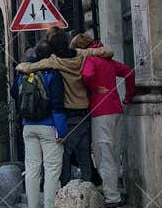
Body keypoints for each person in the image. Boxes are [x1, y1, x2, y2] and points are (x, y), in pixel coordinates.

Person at [17, 27, 102, 187]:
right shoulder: (80, 55)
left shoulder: (54, 61)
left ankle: (66, 192)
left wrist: (23, 67)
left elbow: (26, 67)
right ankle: (89, 188)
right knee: (84, 155)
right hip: (84, 110)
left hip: (68, 113)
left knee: (65, 156)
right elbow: (105, 52)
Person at [72, 30, 135, 206]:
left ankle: (112, 197)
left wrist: (92, 89)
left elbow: (87, 75)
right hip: (116, 109)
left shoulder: (90, 60)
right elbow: (129, 72)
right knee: (114, 153)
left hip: (100, 112)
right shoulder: (108, 61)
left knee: (103, 154)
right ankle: (114, 192)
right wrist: (129, 96)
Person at [13, 48, 68, 208]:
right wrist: (62, 130)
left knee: (32, 170)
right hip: (49, 126)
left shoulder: (21, 74)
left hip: (28, 126)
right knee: (52, 170)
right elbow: (58, 104)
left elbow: (15, 94)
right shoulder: (52, 74)